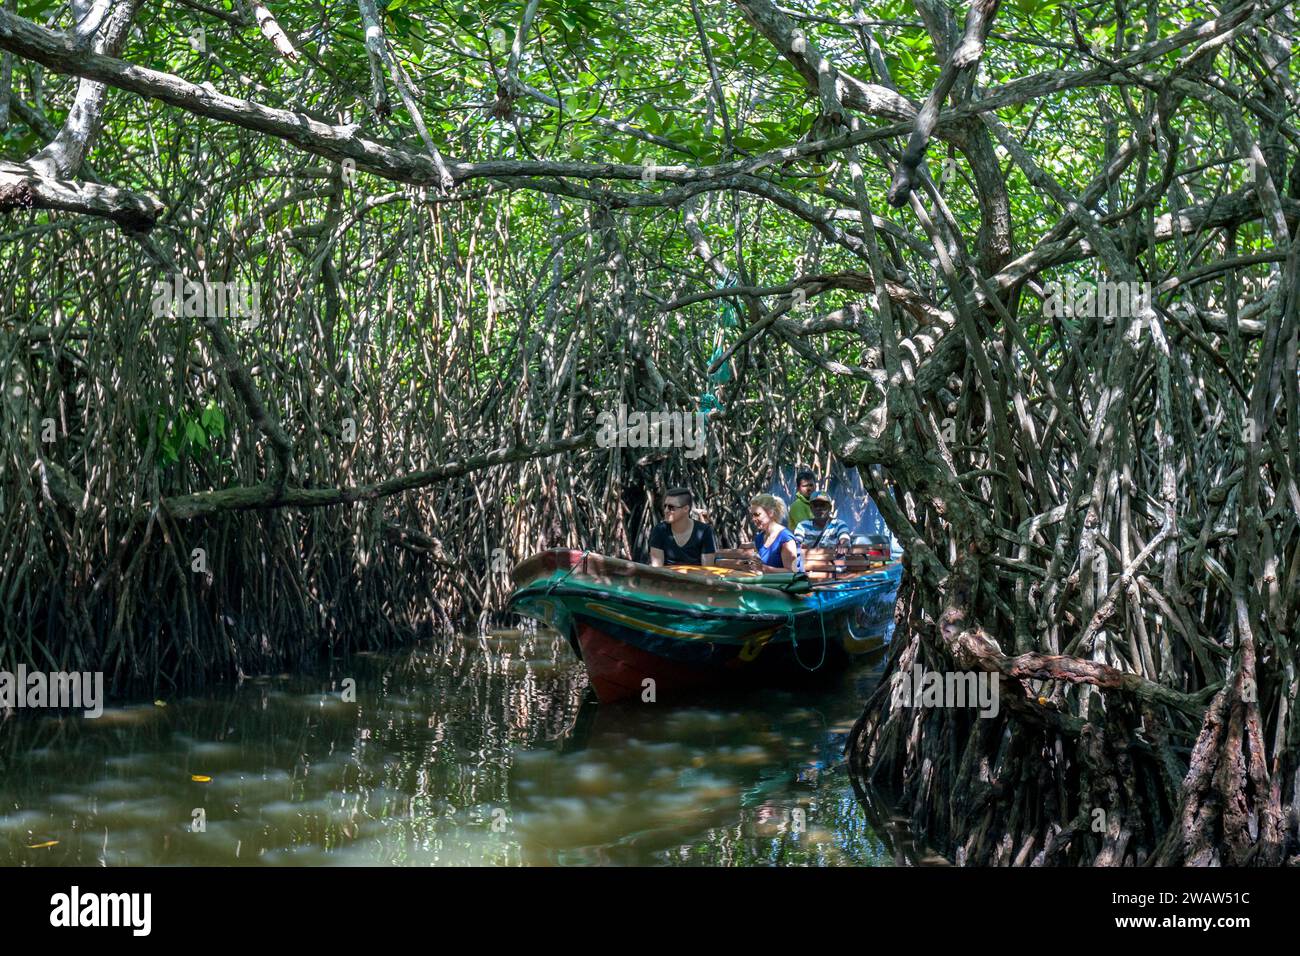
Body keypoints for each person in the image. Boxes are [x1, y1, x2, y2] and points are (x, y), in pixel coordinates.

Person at [648, 487, 717, 567]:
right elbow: (657, 568)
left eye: (671, 507)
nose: (666, 511)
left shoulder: (704, 531)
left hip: (696, 578)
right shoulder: (660, 530)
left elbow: (707, 569)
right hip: (666, 577)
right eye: (665, 506)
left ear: (686, 509)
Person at [748, 494, 799, 571]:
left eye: (757, 514)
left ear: (770, 513)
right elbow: (757, 565)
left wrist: (763, 568)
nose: (753, 519)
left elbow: (792, 571)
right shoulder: (759, 538)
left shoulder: (785, 538)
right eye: (752, 515)